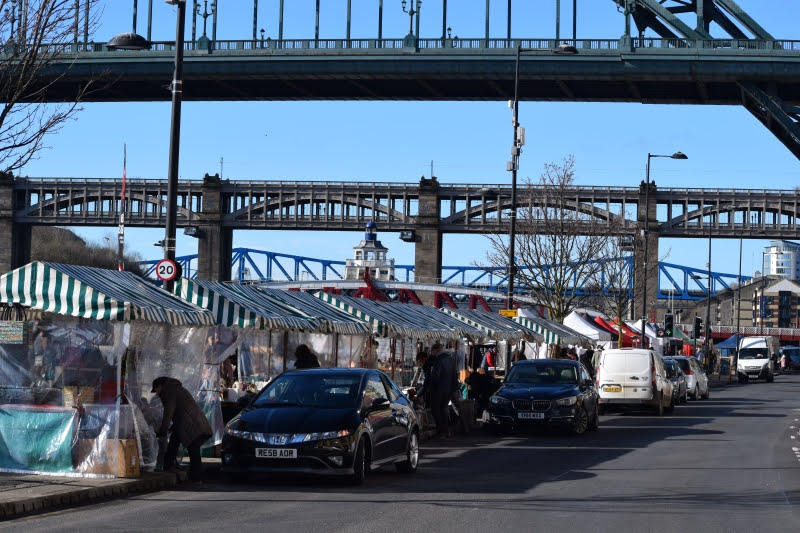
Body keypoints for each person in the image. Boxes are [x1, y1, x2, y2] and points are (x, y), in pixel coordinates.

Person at [151, 376, 213, 483]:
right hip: (189, 422)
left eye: (156, 389)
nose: (156, 393)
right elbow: (180, 410)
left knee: (193, 449)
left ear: (160, 386)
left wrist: (162, 430)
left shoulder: (169, 391)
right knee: (174, 443)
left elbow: (169, 412)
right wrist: (170, 428)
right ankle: (168, 466)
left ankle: (196, 478)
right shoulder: (174, 389)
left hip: (191, 424)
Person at [424, 342, 458, 438]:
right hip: (448, 389)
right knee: (444, 409)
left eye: (432, 351)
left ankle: (441, 430)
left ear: (436, 350)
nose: (432, 353)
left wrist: (430, 388)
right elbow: (454, 375)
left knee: (436, 410)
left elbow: (436, 375)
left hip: (438, 389)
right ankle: (446, 430)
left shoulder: (439, 359)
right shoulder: (451, 359)